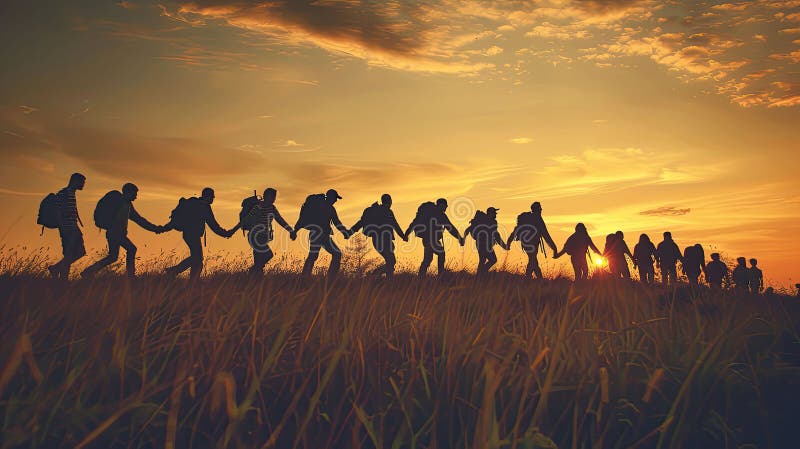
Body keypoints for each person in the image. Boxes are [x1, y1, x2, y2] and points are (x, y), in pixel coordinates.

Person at [81, 183, 163, 278]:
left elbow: (139, 220)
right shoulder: (120, 202)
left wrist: (155, 229)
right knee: (131, 249)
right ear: (129, 192)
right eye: (135, 193)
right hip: (115, 233)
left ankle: (88, 272)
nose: (136, 197)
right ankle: (131, 276)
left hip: (115, 233)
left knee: (113, 257)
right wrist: (156, 229)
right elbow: (139, 220)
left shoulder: (127, 204)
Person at [163, 187, 238, 280]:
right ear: (208, 197)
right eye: (212, 197)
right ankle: (174, 271)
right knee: (197, 258)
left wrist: (225, 233)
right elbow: (213, 225)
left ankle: (193, 280)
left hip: (189, 234)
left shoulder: (197, 204)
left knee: (197, 260)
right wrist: (226, 233)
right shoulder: (204, 207)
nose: (213, 199)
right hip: (191, 235)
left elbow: (213, 225)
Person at [292, 189, 349, 277]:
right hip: (319, 235)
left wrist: (295, 230)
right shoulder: (328, 208)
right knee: (331, 254)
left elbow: (302, 219)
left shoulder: (324, 206)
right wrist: (345, 232)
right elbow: (337, 222)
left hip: (319, 234)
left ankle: (306, 278)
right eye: (335, 198)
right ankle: (326, 279)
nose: (336, 200)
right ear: (331, 197)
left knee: (315, 256)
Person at [349, 193, 407, 278]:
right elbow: (395, 225)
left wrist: (349, 232)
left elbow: (361, 222)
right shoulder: (388, 212)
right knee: (391, 261)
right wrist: (403, 236)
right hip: (383, 240)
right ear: (390, 201)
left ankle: (388, 280)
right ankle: (373, 274)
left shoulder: (375, 211)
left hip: (377, 240)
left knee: (390, 261)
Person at [406, 198, 464, 277]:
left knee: (428, 259)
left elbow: (414, 223)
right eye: (445, 206)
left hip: (427, 239)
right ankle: (440, 276)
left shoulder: (429, 213)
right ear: (441, 205)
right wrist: (459, 238)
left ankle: (421, 277)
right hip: (432, 240)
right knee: (440, 254)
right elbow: (450, 228)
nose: (446, 207)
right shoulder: (440, 215)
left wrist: (406, 234)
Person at [242, 188, 294, 275]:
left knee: (259, 259)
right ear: (266, 196)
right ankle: (253, 271)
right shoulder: (257, 207)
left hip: (263, 237)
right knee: (268, 255)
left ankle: (254, 277)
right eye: (272, 196)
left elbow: (279, 219)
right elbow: (246, 220)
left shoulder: (272, 208)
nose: (274, 198)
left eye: (275, 196)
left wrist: (290, 230)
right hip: (255, 236)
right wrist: (232, 231)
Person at [48, 173, 87, 280]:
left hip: (73, 228)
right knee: (73, 253)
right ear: (75, 181)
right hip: (68, 229)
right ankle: (59, 274)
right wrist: (63, 228)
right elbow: (58, 212)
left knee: (75, 253)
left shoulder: (71, 193)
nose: (83, 184)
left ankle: (59, 273)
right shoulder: (64, 193)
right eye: (82, 182)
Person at [506, 202, 557, 279]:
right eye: (540, 208)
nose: (541, 209)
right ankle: (532, 278)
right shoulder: (538, 218)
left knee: (533, 260)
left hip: (525, 243)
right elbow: (546, 235)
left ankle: (534, 278)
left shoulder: (527, 218)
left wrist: (509, 242)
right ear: (537, 209)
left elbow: (516, 230)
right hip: (533, 244)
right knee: (533, 260)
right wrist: (554, 248)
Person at [464, 207, 508, 275]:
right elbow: (496, 235)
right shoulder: (492, 222)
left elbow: (468, 229)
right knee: (493, 260)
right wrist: (504, 245)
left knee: (482, 260)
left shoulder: (481, 221)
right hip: (486, 244)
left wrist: (463, 238)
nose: (495, 214)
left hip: (479, 243)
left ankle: (479, 275)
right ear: (490, 213)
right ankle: (482, 273)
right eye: (494, 213)